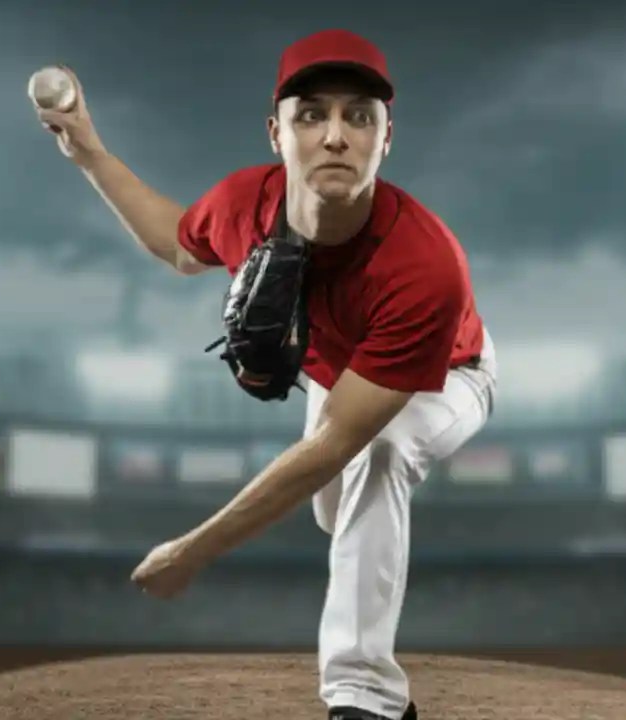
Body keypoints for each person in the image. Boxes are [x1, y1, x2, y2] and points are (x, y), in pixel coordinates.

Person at [34, 28, 497, 720]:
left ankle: (365, 695)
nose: (335, 135)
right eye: (311, 114)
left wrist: (193, 551)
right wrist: (90, 156)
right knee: (331, 509)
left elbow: (336, 444)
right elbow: (174, 243)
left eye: (358, 116)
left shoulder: (425, 267)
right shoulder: (244, 204)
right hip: (343, 378)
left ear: (386, 137)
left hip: (449, 374)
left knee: (377, 452)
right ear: (276, 133)